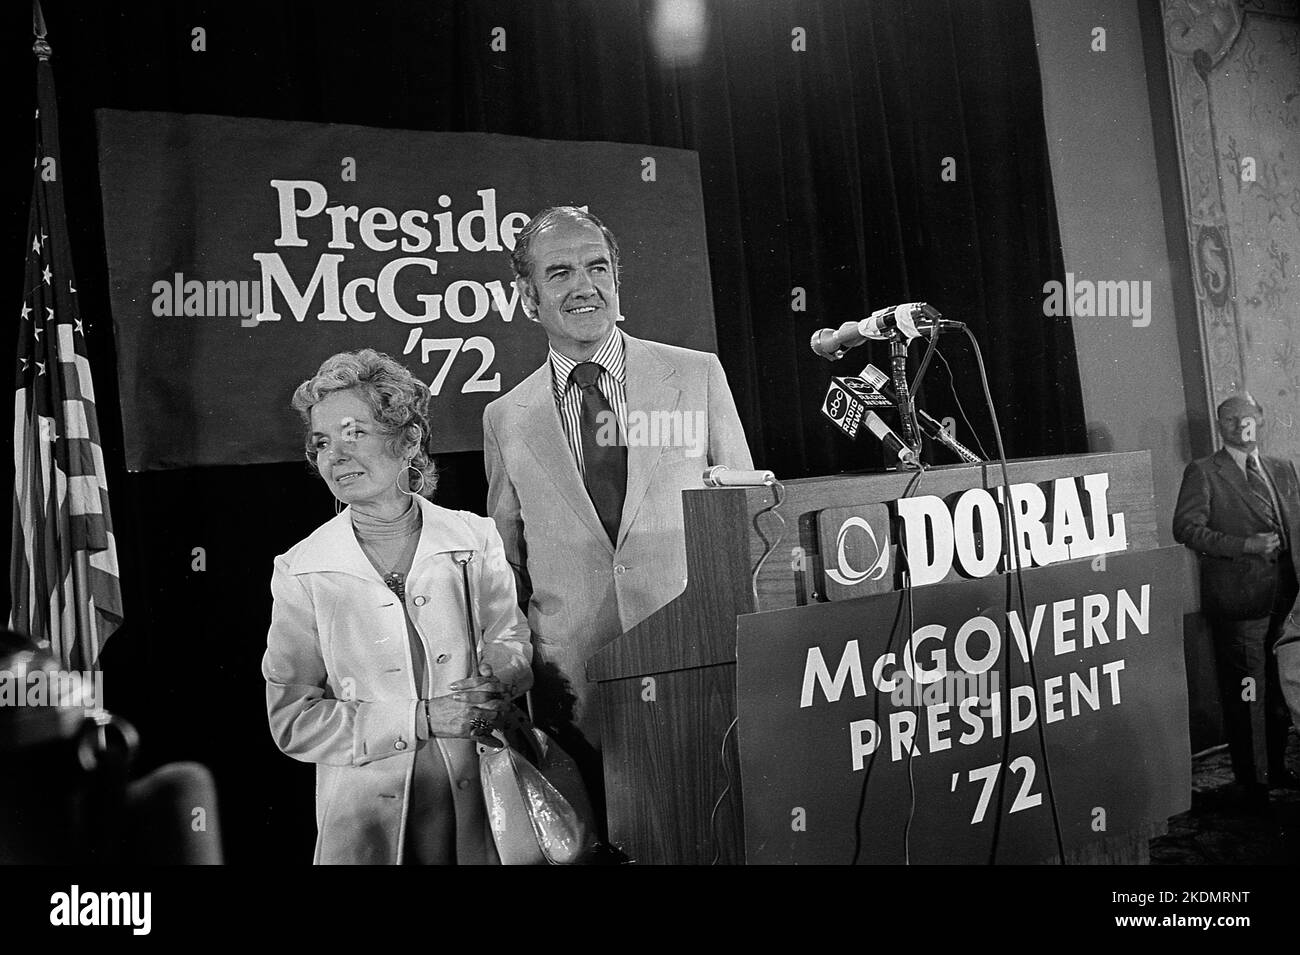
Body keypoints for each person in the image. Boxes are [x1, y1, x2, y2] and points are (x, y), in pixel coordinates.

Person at [482, 207, 754, 828]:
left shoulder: (696, 376)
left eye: (597, 267)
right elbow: (507, 563)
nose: (584, 285)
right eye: (559, 272)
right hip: (576, 684)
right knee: (610, 840)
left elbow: (743, 519)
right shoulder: (505, 417)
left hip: (697, 657)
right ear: (527, 296)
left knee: (712, 829)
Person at [263, 349, 532, 864]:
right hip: (366, 823)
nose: (335, 455)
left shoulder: (474, 537)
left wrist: (499, 679)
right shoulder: (301, 569)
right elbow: (293, 722)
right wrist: (422, 718)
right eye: (322, 442)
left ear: (408, 440)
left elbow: (510, 643)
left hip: (485, 805)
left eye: (354, 433)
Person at [1173, 393, 1300, 807]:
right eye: (1230, 420)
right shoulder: (1204, 471)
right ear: (1220, 425)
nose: (1240, 426)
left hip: (1286, 600)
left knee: (1279, 689)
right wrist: (1245, 545)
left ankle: (1276, 768)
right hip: (1239, 603)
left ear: (1260, 420)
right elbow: (1187, 529)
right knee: (1248, 694)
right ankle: (1254, 783)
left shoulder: (1282, 468)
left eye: (1247, 418)